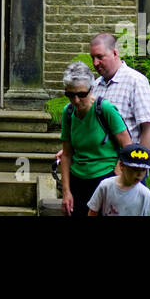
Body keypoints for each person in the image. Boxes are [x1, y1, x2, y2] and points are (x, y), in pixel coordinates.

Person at [60, 61, 131, 217]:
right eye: (70, 95)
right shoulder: (68, 112)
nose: (76, 100)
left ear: (91, 89)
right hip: (78, 178)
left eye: (81, 94)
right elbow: (66, 154)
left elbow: (127, 145)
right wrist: (66, 192)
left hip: (105, 177)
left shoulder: (105, 109)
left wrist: (120, 169)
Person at [89, 32, 150, 149]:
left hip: (126, 161)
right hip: (100, 163)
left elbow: (149, 126)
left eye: (100, 57)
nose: (95, 63)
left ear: (115, 53)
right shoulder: (95, 86)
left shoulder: (136, 81)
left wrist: (137, 162)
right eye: (93, 58)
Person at [88, 143, 150, 216]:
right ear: (121, 165)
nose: (139, 174)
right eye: (135, 169)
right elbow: (93, 211)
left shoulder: (145, 194)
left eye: (143, 170)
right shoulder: (105, 186)